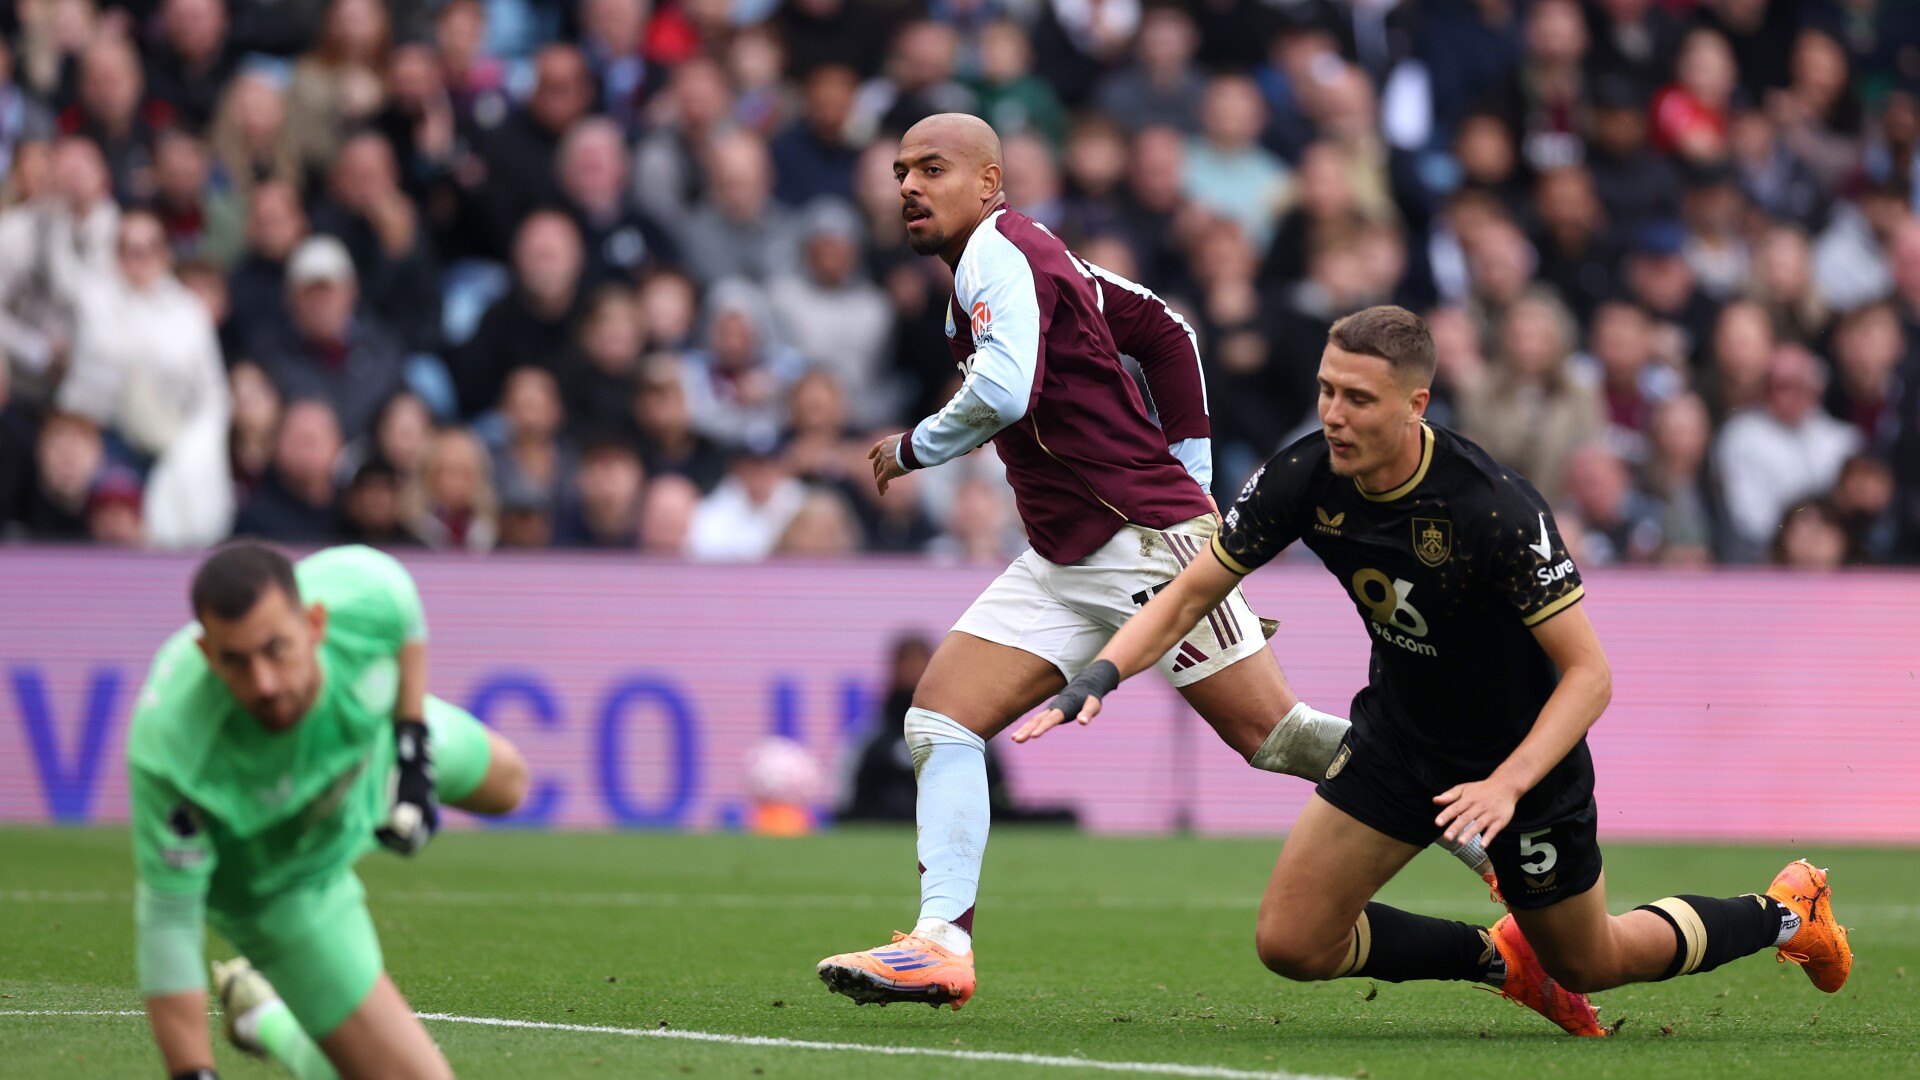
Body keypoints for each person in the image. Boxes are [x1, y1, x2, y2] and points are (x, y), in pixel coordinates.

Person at [1014, 305, 1852, 1037]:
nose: (1333, 416)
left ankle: (1785, 913)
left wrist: (1506, 786)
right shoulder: (1305, 475)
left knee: (1594, 959)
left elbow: (1589, 676)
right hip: (1400, 743)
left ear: (1415, 404)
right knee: (1292, 945)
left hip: (1522, 766)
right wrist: (1102, 673)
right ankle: (1501, 965)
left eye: (1358, 399)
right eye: (1326, 391)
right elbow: (1191, 589)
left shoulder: (1493, 508)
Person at [816, 116, 1491, 1012]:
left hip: (1137, 538)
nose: (908, 185)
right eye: (901, 170)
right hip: (1068, 552)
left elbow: (1007, 386)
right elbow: (1166, 327)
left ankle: (1477, 813)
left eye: (932, 168)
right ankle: (940, 943)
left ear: (988, 183)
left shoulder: (997, 254)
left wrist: (914, 447)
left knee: (1276, 737)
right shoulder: (1039, 256)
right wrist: (1199, 482)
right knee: (939, 720)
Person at [131, 542, 531, 1080]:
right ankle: (266, 1018)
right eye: (236, 661)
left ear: (315, 624)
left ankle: (266, 1015)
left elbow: (402, 609)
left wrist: (412, 745)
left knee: (510, 784)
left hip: (376, 756)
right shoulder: (173, 749)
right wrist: (192, 1074)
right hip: (282, 882)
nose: (265, 684)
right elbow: (169, 921)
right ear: (207, 655)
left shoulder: (360, 590)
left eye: (276, 649)